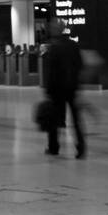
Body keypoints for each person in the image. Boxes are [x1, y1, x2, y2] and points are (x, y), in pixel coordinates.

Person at [42, 18, 86, 158]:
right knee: (76, 119)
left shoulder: (53, 47)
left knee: (54, 119)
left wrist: (48, 89)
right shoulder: (73, 45)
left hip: (57, 89)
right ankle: (81, 148)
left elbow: (51, 71)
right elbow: (80, 65)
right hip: (72, 87)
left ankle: (54, 147)